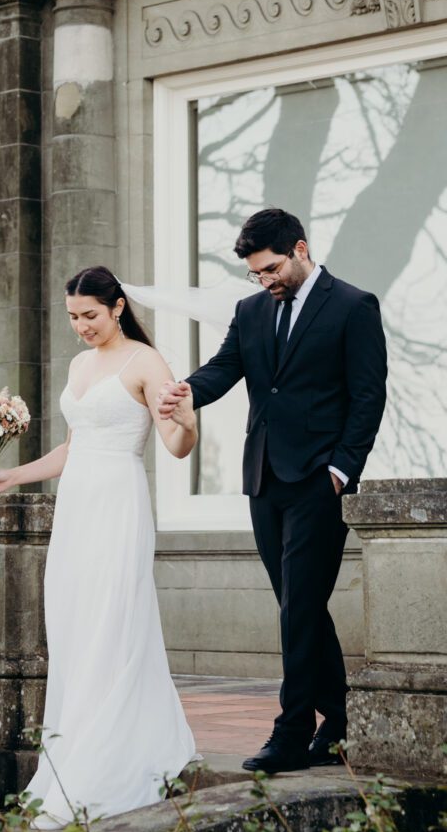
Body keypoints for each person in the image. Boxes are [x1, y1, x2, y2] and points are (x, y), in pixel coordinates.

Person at [159, 209, 387, 775]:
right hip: (263, 477)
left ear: (301, 249)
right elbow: (225, 367)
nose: (266, 281)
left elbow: (368, 396)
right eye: (256, 274)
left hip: (319, 480)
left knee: (301, 607)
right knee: (298, 605)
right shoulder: (250, 310)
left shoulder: (354, 306)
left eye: (272, 268)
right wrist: (186, 391)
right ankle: (339, 722)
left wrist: (342, 470)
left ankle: (291, 733)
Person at [0, 265, 198, 829]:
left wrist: (188, 422)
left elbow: (174, 445)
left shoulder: (145, 362)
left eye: (90, 316)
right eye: (73, 316)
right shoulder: (79, 364)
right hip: (76, 508)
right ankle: (75, 751)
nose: (81, 327)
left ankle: (112, 757)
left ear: (117, 307)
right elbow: (73, 448)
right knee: (75, 623)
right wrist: (12, 476)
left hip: (119, 504)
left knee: (112, 620)